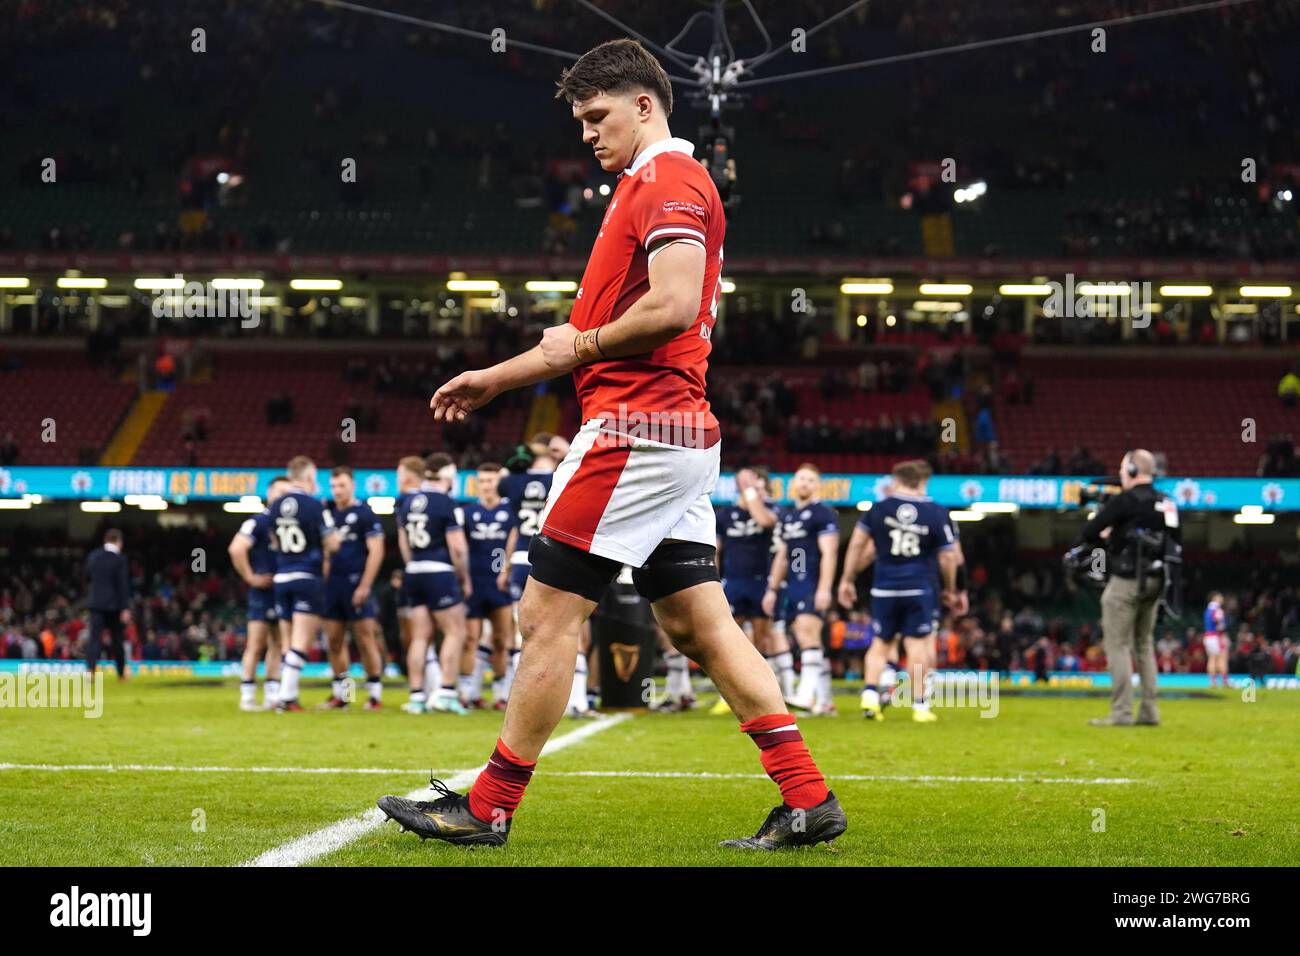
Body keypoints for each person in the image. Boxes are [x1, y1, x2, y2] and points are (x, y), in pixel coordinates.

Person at [378, 38, 843, 851]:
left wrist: (576, 352)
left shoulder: (666, 180)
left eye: (597, 117)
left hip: (637, 432)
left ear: (643, 105)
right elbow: (578, 338)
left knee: (545, 615)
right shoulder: (650, 183)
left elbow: (669, 306)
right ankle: (808, 796)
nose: (588, 135)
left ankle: (489, 805)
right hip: (680, 435)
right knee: (702, 627)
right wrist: (498, 375)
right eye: (581, 122)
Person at [839, 460, 964, 722]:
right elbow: (949, 558)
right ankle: (920, 707)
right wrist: (951, 589)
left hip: (884, 587)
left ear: (896, 480)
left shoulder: (878, 508)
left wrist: (847, 579)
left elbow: (857, 545)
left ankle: (870, 696)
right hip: (919, 587)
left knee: (880, 642)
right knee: (917, 645)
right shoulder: (936, 511)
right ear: (921, 482)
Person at [1073, 449, 1181, 727]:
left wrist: (1112, 533)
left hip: (1128, 578)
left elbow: (1089, 531)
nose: (1120, 474)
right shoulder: (1166, 501)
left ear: (1133, 470)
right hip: (1158, 580)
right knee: (1144, 644)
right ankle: (1149, 712)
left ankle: (1121, 712)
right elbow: (1175, 540)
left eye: (1123, 468)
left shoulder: (1126, 501)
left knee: (1117, 644)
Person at [394, 454, 472, 714]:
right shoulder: (446, 502)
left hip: (414, 570)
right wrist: (463, 576)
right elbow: (458, 548)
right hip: (439, 570)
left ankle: (417, 696)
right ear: (448, 477)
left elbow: (404, 544)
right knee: (455, 631)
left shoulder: (406, 502)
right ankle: (446, 692)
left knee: (419, 636)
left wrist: (412, 566)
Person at [762, 463, 841, 715]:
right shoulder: (789, 516)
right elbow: (783, 555)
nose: (804, 483)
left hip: (812, 580)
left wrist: (825, 588)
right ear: (794, 484)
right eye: (800, 479)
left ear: (817, 485)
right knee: (805, 635)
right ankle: (825, 701)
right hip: (793, 582)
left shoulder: (823, 514)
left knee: (807, 633)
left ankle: (806, 695)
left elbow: (830, 553)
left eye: (809, 480)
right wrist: (772, 588)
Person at [497, 434, 563, 708]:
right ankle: (573, 697)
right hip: (552, 556)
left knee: (519, 626)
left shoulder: (513, 482)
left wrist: (505, 566)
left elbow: (501, 478)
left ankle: (517, 693)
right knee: (561, 626)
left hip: (521, 557)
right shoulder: (562, 478)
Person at [271, 456, 340, 712]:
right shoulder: (315, 505)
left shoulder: (275, 505)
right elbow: (332, 544)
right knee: (301, 642)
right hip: (306, 576)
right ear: (310, 478)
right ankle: (286, 698)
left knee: (288, 642)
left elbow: (274, 541)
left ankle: (285, 695)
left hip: (282, 576)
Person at [711, 466, 781, 715]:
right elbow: (715, 550)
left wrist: (752, 493)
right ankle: (728, 697)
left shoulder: (771, 510)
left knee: (761, 641)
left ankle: (761, 696)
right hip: (734, 582)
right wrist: (714, 581)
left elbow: (764, 521)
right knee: (728, 642)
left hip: (761, 582)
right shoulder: (725, 515)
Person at [320, 466, 386, 710]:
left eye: (342, 486)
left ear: (353, 486)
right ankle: (344, 696)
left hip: (357, 582)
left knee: (364, 638)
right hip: (332, 586)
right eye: (334, 486)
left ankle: (374, 696)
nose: (337, 491)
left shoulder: (365, 514)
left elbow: (376, 551)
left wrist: (365, 585)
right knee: (335, 641)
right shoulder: (326, 514)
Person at [228, 475, 290, 710]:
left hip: (282, 589)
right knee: (257, 643)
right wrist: (250, 576)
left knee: (278, 644)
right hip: (263, 591)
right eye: (279, 491)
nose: (283, 496)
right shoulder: (259, 521)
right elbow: (236, 548)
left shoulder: (287, 522)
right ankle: (247, 696)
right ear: (269, 494)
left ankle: (272, 695)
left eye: (287, 491)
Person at [460, 462, 517, 709]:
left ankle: (500, 694)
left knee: (501, 640)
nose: (486, 485)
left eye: (490, 480)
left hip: (499, 584)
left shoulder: (511, 511)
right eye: (482, 481)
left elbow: (513, 546)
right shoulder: (467, 512)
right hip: (474, 583)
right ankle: (467, 694)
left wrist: (506, 572)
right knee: (469, 639)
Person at [84, 528, 133, 679]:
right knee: (117, 639)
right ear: (119, 542)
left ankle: (91, 671)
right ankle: (121, 672)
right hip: (114, 605)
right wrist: (125, 607)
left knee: (94, 638)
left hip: (96, 603)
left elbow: (86, 576)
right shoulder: (120, 559)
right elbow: (122, 585)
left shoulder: (93, 556)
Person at [1203, 591, 1229, 688]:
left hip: (1208, 636)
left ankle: (1213, 682)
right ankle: (1225, 682)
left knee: (1211, 659)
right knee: (1222, 658)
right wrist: (1223, 636)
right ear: (1215, 598)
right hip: (1216, 636)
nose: (1221, 599)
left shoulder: (1207, 610)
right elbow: (1220, 624)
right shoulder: (1217, 609)